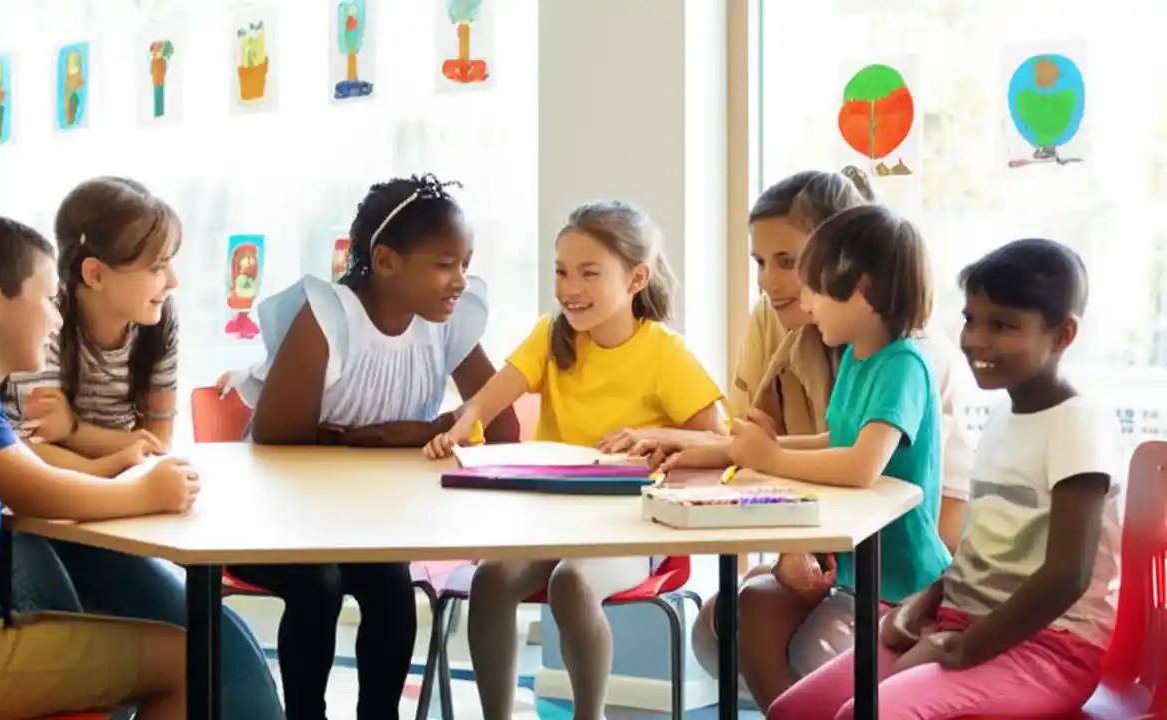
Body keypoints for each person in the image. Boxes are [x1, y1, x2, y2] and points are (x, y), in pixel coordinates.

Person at [636, 170, 973, 709]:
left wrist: (769, 457)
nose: (791, 294)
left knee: (800, 656)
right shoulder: (857, 355)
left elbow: (862, 465)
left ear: (860, 287)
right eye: (761, 262)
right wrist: (739, 451)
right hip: (853, 567)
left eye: (798, 271)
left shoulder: (907, 363)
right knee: (739, 620)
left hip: (898, 582)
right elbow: (829, 438)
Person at [0, 177, 282, 719]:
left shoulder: (157, 323)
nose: (173, 281)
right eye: (158, 266)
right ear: (94, 275)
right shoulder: (39, 323)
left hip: (99, 519)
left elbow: (153, 446)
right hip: (20, 524)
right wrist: (116, 459)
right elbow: (24, 464)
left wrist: (76, 434)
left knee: (223, 650)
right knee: (88, 658)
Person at [768, 238, 1121, 719]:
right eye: (971, 320)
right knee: (795, 712)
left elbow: (1067, 576)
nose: (976, 340)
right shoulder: (1002, 419)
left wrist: (965, 647)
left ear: (1063, 335)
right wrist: (926, 601)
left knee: (865, 714)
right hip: (961, 620)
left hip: (1048, 649)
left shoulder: (1078, 425)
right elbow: (980, 551)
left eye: (1002, 325)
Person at [226, 173, 518, 720]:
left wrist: (415, 431)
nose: (460, 280)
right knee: (319, 581)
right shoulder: (331, 317)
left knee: (389, 585)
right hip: (274, 520)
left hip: (363, 524)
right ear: (385, 262)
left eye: (465, 263)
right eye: (444, 263)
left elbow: (502, 426)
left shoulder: (446, 324)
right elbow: (276, 437)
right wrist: (414, 433)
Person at [425, 200, 726, 720]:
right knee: (491, 579)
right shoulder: (551, 336)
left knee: (572, 582)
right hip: (552, 520)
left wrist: (656, 434)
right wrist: (459, 425)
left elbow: (721, 440)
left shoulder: (665, 353)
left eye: (589, 272)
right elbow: (486, 400)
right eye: (562, 271)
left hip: (634, 526)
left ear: (636, 279)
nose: (569, 287)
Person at [0, 214, 196, 719]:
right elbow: (36, 493)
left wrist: (113, 463)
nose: (57, 320)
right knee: (184, 659)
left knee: (154, 645)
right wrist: (148, 494)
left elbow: (25, 467)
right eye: (50, 301)